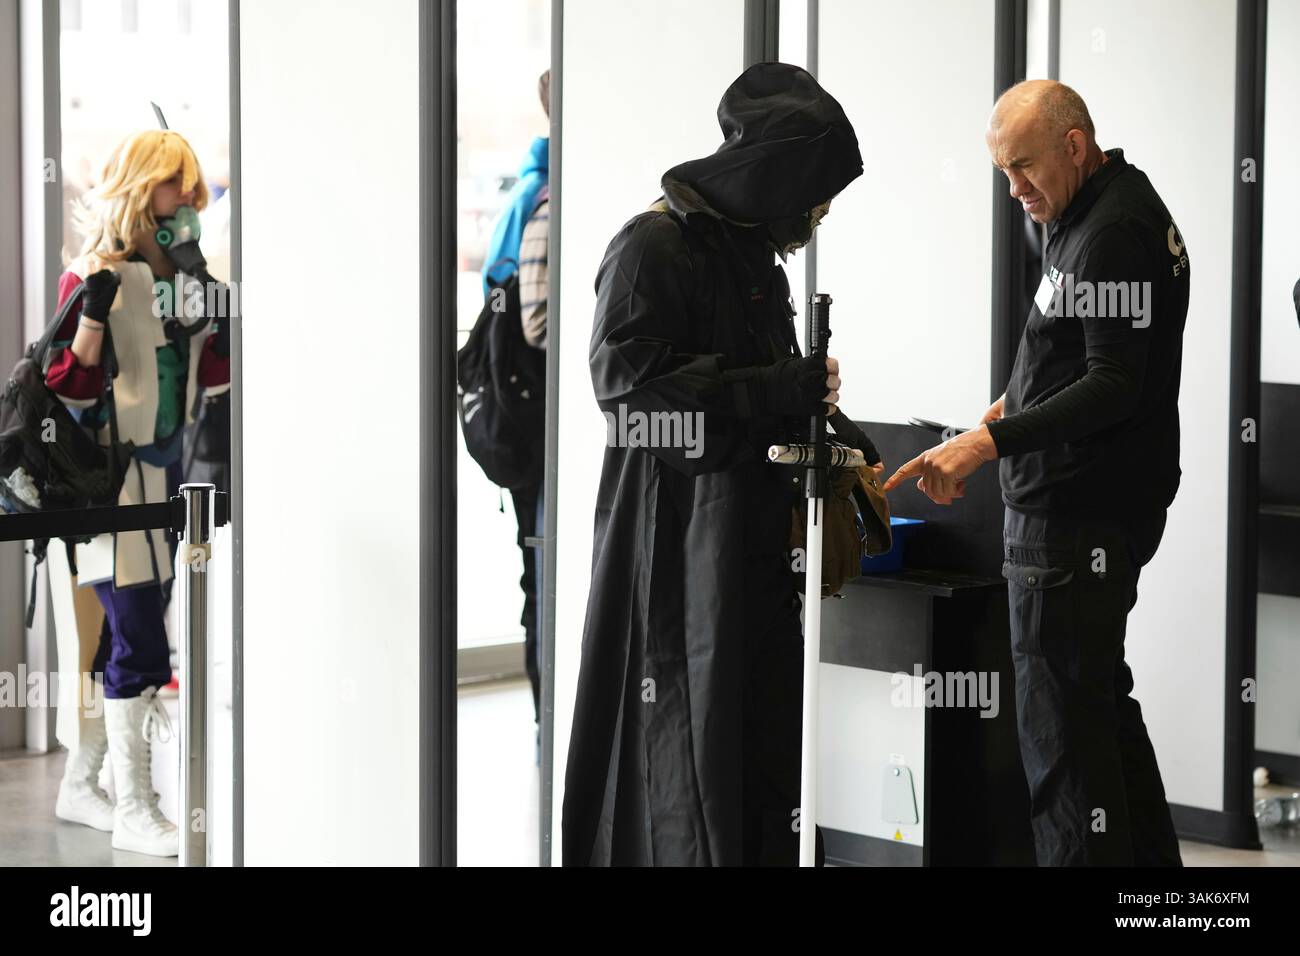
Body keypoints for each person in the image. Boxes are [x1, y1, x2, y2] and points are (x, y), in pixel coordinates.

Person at [562, 62, 868, 866]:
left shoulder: (755, 262)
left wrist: (823, 414)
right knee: (676, 751)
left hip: (754, 553)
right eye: (815, 193)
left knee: (758, 748)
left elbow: (765, 391)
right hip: (673, 552)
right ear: (776, 177)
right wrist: (763, 387)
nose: (820, 212)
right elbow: (627, 396)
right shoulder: (651, 247)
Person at [884, 79, 1187, 866]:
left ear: (1074, 145)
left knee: (1062, 747)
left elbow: (1112, 381)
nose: (1014, 189)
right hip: (1075, 510)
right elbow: (1058, 350)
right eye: (1001, 173)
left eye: (1024, 167)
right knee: (1099, 717)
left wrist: (989, 446)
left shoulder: (1115, 230)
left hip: (1075, 520)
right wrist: (994, 415)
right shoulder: (1085, 210)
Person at [47, 129, 230, 857]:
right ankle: (135, 805)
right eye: (173, 186)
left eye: (192, 187)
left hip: (169, 484)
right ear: (138, 191)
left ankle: (80, 784)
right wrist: (93, 313)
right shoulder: (96, 274)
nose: (188, 200)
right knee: (142, 645)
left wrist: (215, 314)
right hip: (108, 488)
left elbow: (212, 387)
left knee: (130, 636)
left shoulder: (190, 280)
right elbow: (69, 390)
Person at [481, 71, 550, 742]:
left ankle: (546, 721)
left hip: (525, 425)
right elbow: (538, 325)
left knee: (540, 572)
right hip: (538, 433)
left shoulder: (527, 192)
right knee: (544, 574)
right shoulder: (546, 200)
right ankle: (547, 721)